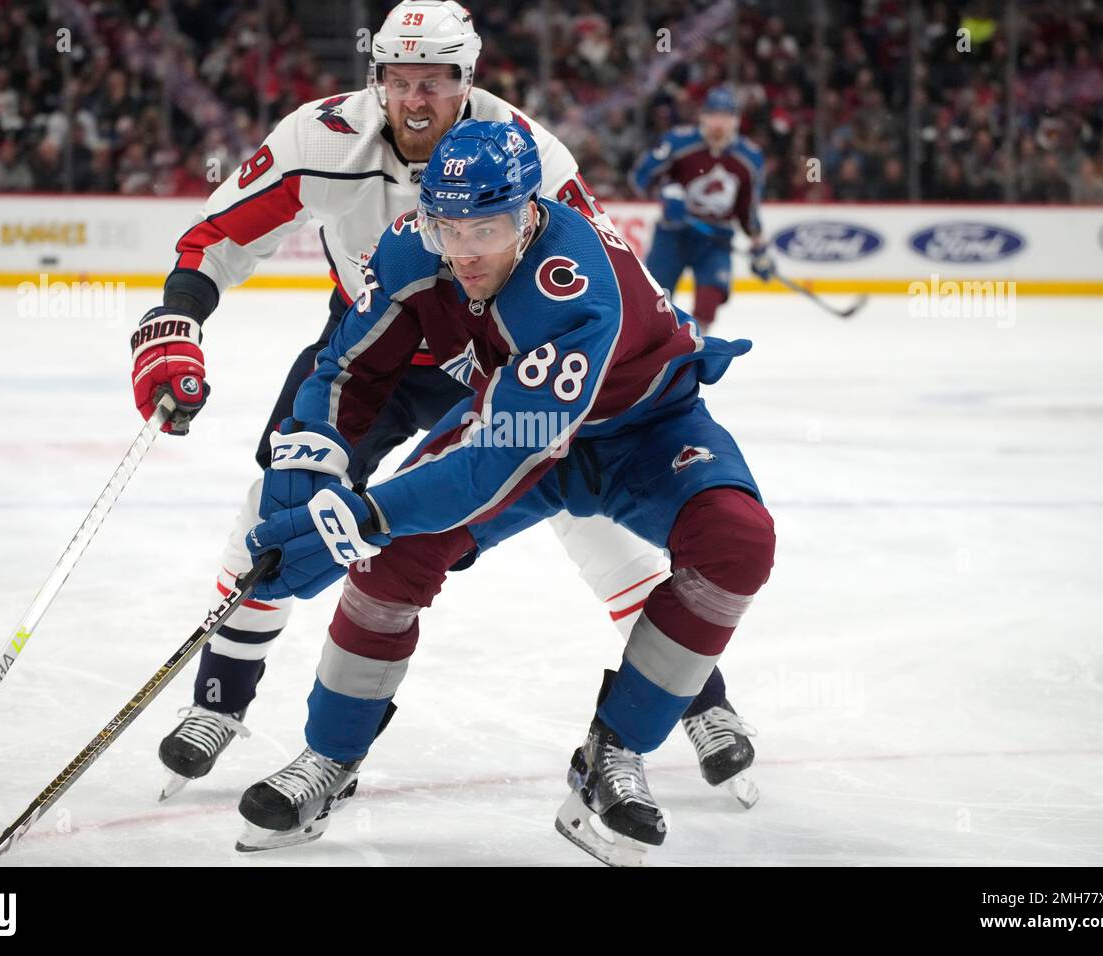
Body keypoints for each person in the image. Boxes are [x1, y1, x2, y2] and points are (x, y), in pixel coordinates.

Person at [128, 1, 759, 807]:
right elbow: (220, 235)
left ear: (468, 79)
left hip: (500, 357)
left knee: (589, 520)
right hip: (379, 342)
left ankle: (693, 696)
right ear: (376, 78)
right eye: (399, 80)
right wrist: (177, 319)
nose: (415, 99)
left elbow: (598, 271)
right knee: (278, 498)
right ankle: (219, 700)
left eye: (434, 81)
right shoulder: (317, 138)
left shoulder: (528, 151)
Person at [235, 119, 777, 866]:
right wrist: (306, 468)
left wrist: (366, 513)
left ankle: (615, 751)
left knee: (737, 544)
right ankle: (329, 755)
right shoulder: (412, 247)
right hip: (515, 416)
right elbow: (349, 369)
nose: (463, 251)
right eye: (447, 227)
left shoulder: (573, 284)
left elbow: (495, 460)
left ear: (529, 215)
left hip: (641, 428)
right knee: (390, 566)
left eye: (486, 228)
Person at [630, 86, 772, 330]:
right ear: (702, 117)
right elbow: (640, 178)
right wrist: (664, 195)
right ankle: (655, 348)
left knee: (708, 303)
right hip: (673, 233)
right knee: (654, 302)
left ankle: (696, 345)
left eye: (726, 116)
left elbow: (747, 209)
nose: (718, 123)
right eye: (713, 115)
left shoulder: (749, 157)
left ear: (736, 121)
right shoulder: (678, 142)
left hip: (716, 238)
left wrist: (758, 246)